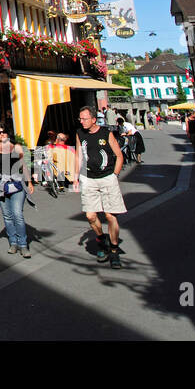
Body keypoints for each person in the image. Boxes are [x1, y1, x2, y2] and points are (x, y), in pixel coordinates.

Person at [76, 107, 127, 268]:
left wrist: (115, 175)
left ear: (93, 119)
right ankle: (101, 238)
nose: (82, 121)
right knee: (91, 215)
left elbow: (119, 155)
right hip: (89, 178)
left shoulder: (106, 133)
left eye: (84, 119)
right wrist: (77, 177)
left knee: (110, 216)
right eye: (80, 119)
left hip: (107, 177)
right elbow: (79, 155)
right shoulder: (79, 134)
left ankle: (113, 250)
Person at [0, 122, 34, 258]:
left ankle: (23, 245)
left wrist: (29, 181)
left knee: (17, 214)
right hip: (0, 184)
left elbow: (24, 165)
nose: (2, 135)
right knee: (7, 215)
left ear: (8, 133)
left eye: (4, 132)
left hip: (17, 183)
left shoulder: (16, 147)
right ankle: (13, 243)